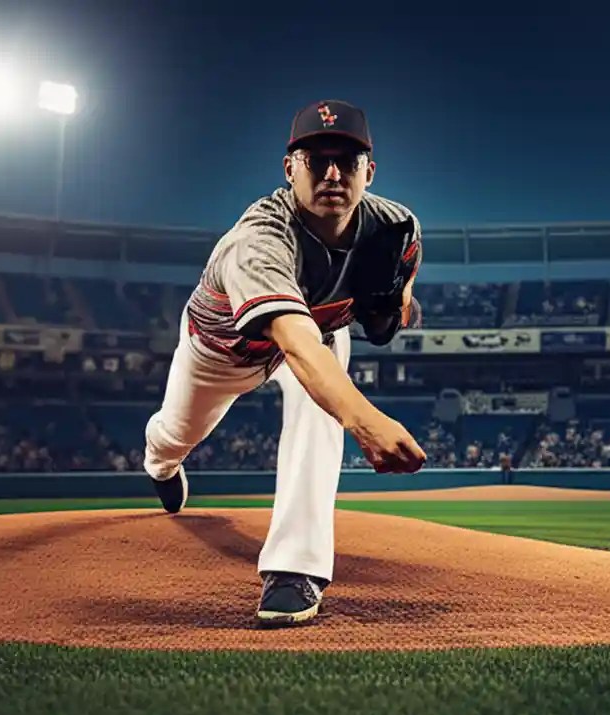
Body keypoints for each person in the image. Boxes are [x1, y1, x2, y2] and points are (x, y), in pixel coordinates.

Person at [143, 99, 427, 626]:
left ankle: (295, 569)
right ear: (290, 168)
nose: (334, 173)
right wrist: (366, 420)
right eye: (316, 160)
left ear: (370, 169)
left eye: (348, 159)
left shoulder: (394, 225)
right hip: (223, 352)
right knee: (176, 432)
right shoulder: (258, 239)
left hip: (318, 336)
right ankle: (160, 463)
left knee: (320, 405)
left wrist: (401, 299)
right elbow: (294, 340)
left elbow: (407, 265)